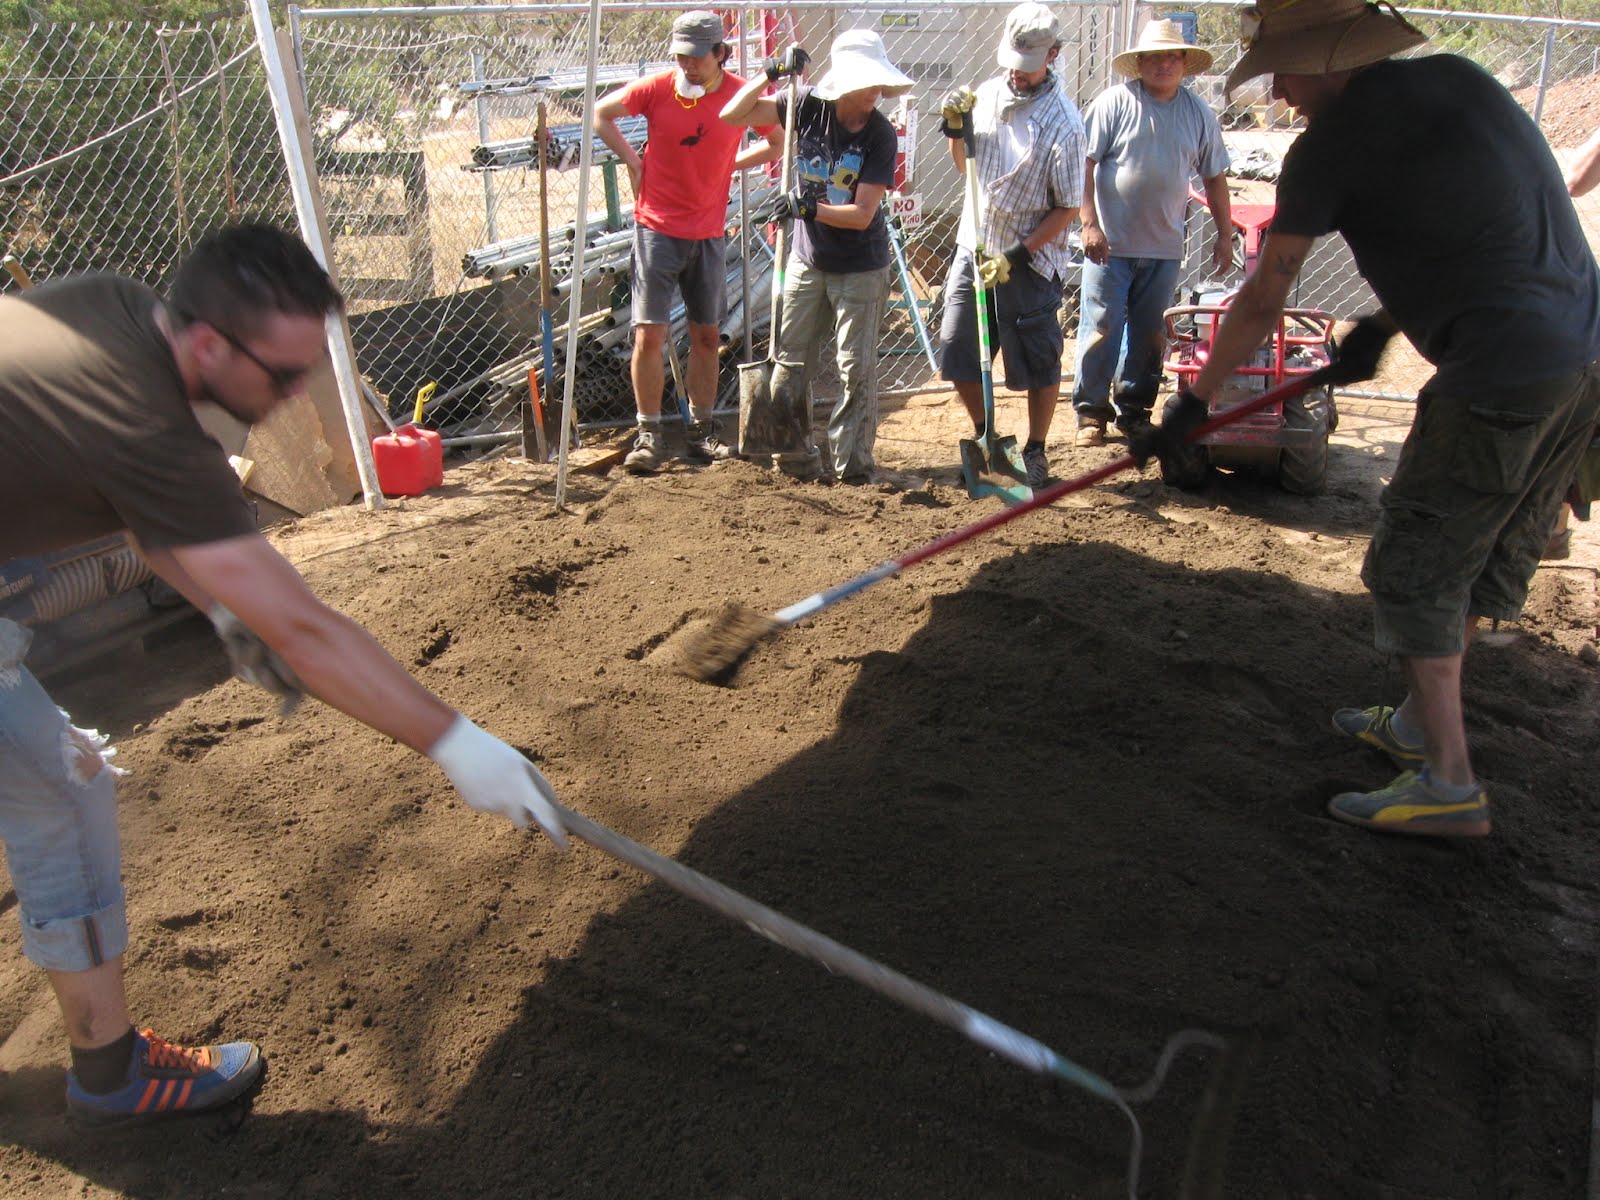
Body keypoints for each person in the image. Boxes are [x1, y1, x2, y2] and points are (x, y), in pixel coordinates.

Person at [0, 222, 572, 1126]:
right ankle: (109, 1075)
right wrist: (457, 743)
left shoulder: (113, 308)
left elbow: (143, 518)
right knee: (57, 786)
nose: (294, 395)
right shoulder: (147, 422)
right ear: (206, 343)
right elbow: (305, 629)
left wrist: (226, 609)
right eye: (281, 375)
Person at [1180, 0, 1600, 837]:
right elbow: (1480, 223)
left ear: (1335, 57)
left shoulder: (1326, 149)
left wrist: (1195, 402)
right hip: (1584, 357)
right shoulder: (1462, 83)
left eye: (1288, 71)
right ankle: (1415, 724)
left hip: (1501, 374)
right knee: (1474, 552)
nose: (1284, 91)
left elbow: (1265, 298)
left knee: (1419, 561)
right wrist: (1379, 325)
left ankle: (1449, 785)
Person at [722, 31, 913, 483]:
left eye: (878, 84)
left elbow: (863, 215)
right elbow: (733, 115)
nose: (875, 93)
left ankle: (853, 468)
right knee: (791, 358)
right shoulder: (805, 105)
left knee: (854, 368)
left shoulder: (880, 135)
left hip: (860, 267)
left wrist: (808, 207)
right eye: (866, 83)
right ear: (843, 84)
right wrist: (771, 73)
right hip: (809, 260)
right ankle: (794, 455)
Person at [593, 10, 780, 474]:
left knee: (707, 334)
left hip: (709, 231)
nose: (688, 65)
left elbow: (777, 143)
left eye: (697, 57)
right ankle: (650, 434)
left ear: (720, 53)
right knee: (649, 332)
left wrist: (732, 165)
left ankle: (700, 431)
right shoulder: (657, 88)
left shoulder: (741, 95)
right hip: (656, 225)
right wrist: (633, 163)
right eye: (680, 56)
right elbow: (601, 115)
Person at [936, 2, 1085, 489]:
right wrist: (955, 130)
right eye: (1011, 62)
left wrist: (1015, 257)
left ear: (1054, 55)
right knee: (957, 348)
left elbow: (1067, 207)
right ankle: (987, 435)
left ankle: (1036, 449)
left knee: (1039, 359)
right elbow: (965, 168)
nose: (1016, 74)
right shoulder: (984, 95)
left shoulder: (1065, 123)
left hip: (1031, 257)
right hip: (974, 244)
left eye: (1028, 65)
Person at [1070, 18, 1231, 448]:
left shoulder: (1198, 113)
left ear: (1184, 63)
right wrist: (1089, 223)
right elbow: (1083, 164)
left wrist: (1225, 233)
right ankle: (1091, 413)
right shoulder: (1113, 104)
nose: (1164, 64)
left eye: (1172, 57)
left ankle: (1135, 411)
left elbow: (1215, 176)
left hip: (1164, 246)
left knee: (1149, 332)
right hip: (1110, 244)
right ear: (1139, 63)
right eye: (1155, 57)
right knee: (1101, 326)